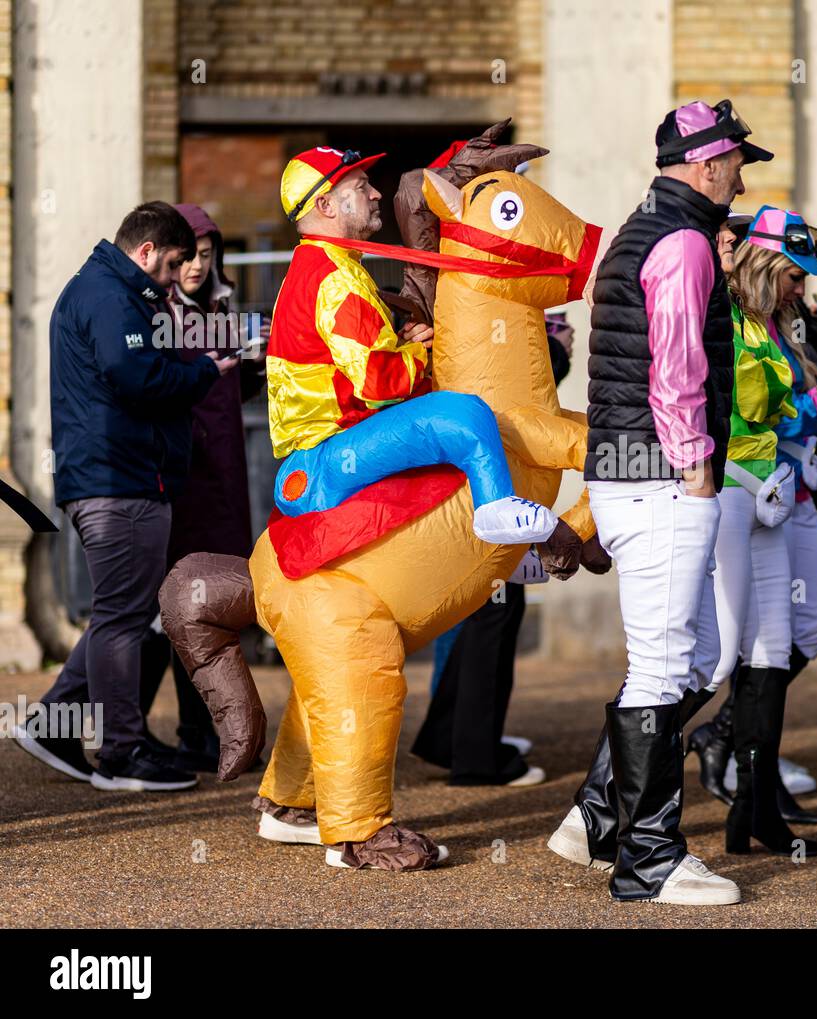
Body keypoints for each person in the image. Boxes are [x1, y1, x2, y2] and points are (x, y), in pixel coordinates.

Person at [547, 99, 771, 905]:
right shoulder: (681, 242)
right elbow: (678, 371)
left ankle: (601, 817)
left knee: (695, 658)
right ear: (707, 163)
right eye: (739, 163)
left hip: (631, 473)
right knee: (668, 664)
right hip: (661, 477)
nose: (742, 178)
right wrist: (697, 464)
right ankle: (648, 858)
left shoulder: (644, 229)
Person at [17, 202, 234, 791]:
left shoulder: (100, 289)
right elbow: (138, 377)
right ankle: (120, 752)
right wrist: (205, 373)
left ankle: (54, 726)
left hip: (113, 477)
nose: (171, 281)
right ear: (145, 252)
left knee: (122, 614)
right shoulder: (111, 295)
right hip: (119, 481)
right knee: (123, 619)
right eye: (168, 267)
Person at [267, 146, 557, 547]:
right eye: (362, 186)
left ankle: (500, 552)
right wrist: (419, 353)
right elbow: (378, 384)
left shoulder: (323, 266)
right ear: (326, 205)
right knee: (464, 413)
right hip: (328, 457)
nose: (376, 195)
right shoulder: (335, 277)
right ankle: (495, 514)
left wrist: (402, 346)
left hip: (322, 453)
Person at [689, 210, 817, 829]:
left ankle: (753, 797)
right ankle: (606, 805)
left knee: (783, 641)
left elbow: (784, 411)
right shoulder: (730, 319)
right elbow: (745, 416)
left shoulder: (779, 323)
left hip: (780, 489)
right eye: (795, 276)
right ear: (764, 266)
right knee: (711, 659)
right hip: (737, 490)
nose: (803, 288)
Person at [409, 318, 581, 786]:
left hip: (469, 486)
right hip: (483, 490)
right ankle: (475, 756)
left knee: (484, 612)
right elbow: (512, 387)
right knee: (492, 614)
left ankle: (450, 738)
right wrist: (556, 352)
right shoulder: (485, 311)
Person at [138, 203, 266, 773]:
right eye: (187, 254)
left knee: (213, 605)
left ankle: (203, 732)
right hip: (183, 479)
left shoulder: (221, 309)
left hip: (224, 477)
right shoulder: (156, 312)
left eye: (207, 254)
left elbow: (223, 395)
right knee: (173, 607)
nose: (196, 265)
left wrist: (256, 372)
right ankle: (142, 731)